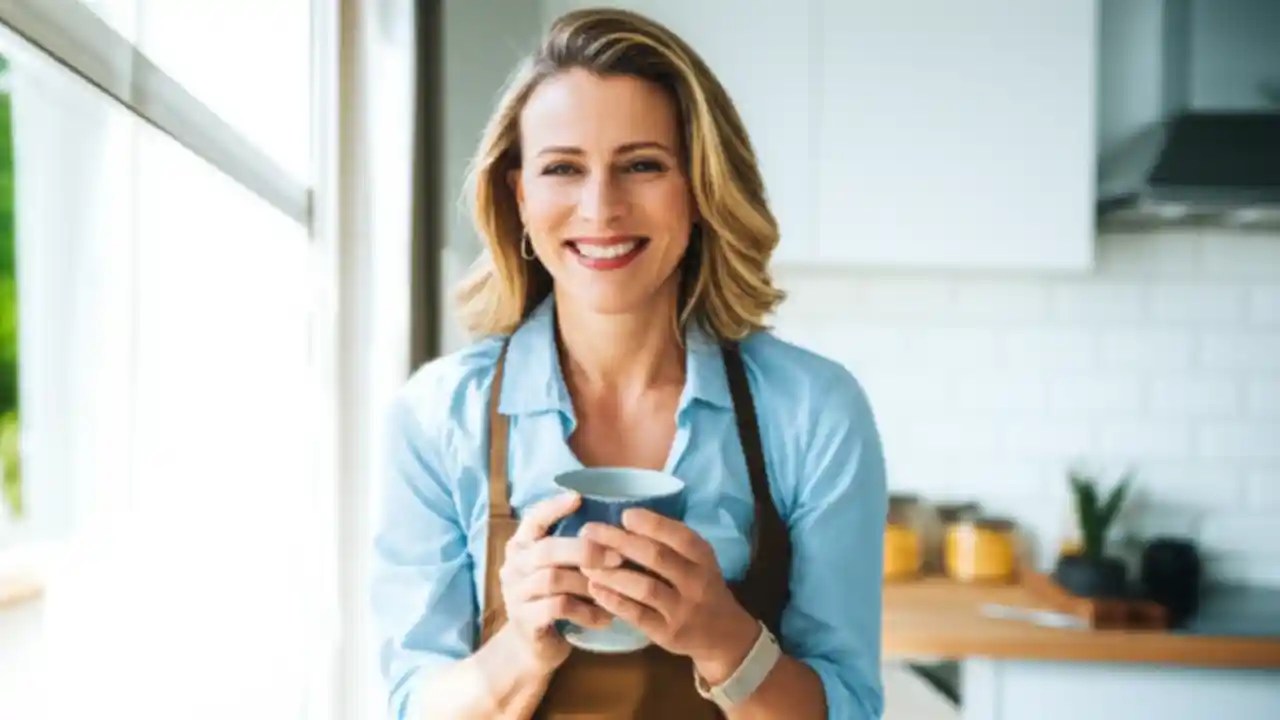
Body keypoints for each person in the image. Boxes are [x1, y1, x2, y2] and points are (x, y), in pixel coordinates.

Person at [370, 7, 887, 719]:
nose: (601, 207)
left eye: (642, 165)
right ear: (521, 196)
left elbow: (850, 707)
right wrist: (523, 645)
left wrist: (723, 638)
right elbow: (412, 706)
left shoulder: (814, 412)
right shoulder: (435, 418)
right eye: (562, 169)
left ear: (699, 186)